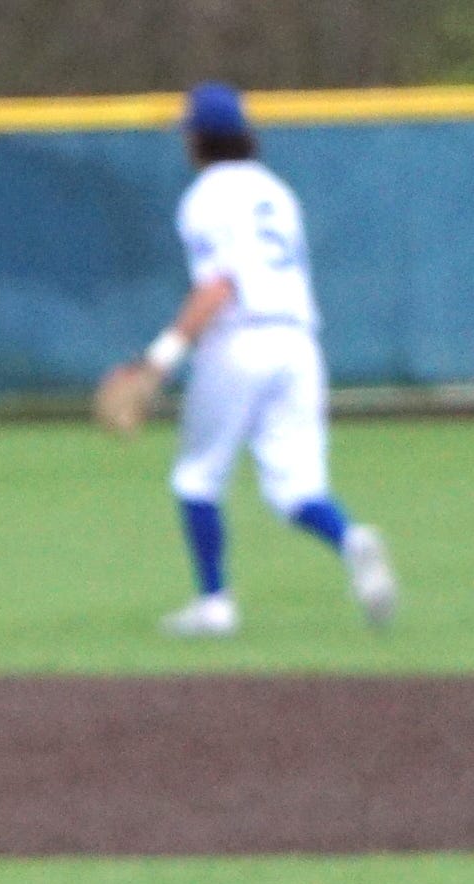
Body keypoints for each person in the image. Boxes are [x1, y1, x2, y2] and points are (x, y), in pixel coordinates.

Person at [131, 83, 396, 638]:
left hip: (239, 341)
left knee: (197, 478)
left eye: (187, 128)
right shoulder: (278, 191)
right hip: (299, 344)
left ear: (200, 137)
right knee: (296, 490)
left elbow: (220, 284)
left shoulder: (205, 196)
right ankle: (352, 541)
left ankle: (214, 604)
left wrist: (162, 357)